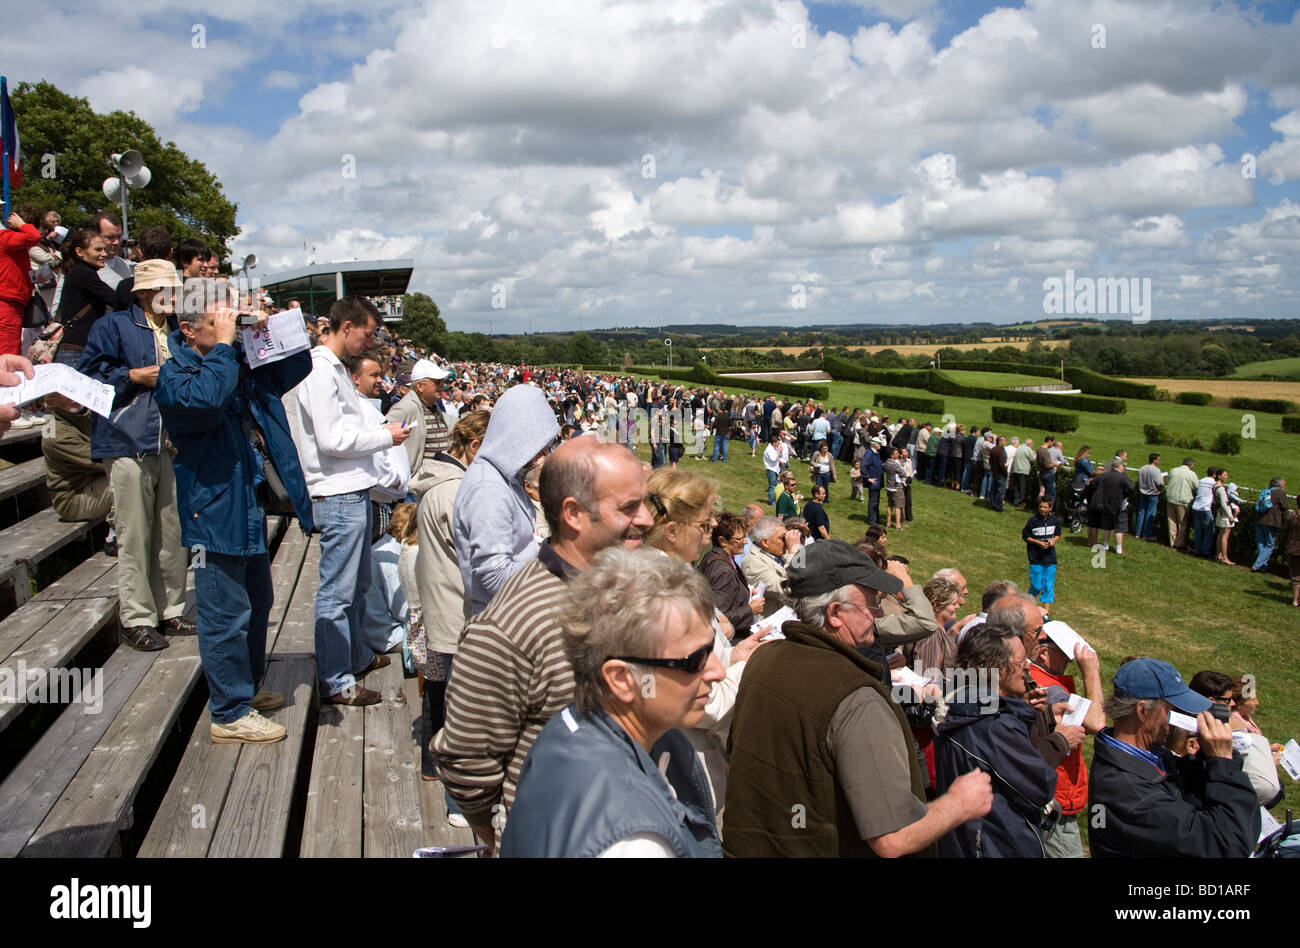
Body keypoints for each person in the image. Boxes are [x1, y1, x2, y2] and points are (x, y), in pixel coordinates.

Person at [432, 437, 655, 855]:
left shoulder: (619, 583)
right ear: (573, 513)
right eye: (628, 507)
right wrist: (510, 837)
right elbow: (465, 763)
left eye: (645, 503)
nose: (646, 519)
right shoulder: (510, 627)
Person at [724, 539, 994, 857]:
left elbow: (739, 763)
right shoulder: (856, 697)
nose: (878, 613)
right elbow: (893, 837)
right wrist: (958, 803)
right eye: (871, 604)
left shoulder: (763, 659)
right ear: (836, 613)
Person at [155, 285, 314, 743]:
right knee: (225, 613)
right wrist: (226, 345)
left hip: (244, 504)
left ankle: (244, 690)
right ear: (187, 330)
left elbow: (294, 369)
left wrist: (277, 331)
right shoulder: (176, 376)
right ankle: (226, 712)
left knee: (257, 603)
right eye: (216, 322)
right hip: (212, 512)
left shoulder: (234, 364)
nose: (227, 328)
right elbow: (204, 401)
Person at [499, 547, 724, 857]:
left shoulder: (571, 724)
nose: (718, 671)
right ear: (621, 678)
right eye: (695, 659)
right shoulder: (635, 843)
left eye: (711, 647)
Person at [291, 296, 411, 707]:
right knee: (338, 594)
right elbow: (333, 440)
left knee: (357, 586)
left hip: (351, 489)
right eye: (367, 333)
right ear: (346, 328)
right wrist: (385, 436)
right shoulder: (320, 371)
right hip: (337, 492)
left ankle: (355, 656)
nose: (370, 341)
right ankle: (336, 679)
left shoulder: (335, 370)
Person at [79, 259, 192, 651]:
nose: (173, 297)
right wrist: (132, 376)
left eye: (174, 289)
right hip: (127, 440)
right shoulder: (111, 326)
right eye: (166, 289)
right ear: (143, 293)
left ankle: (171, 609)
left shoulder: (179, 328)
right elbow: (87, 376)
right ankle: (138, 617)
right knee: (135, 534)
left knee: (173, 534)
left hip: (172, 442)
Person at [644, 469, 768, 810]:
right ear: (671, 531)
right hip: (682, 766)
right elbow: (703, 702)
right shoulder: (666, 590)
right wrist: (751, 667)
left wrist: (733, 654)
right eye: (703, 523)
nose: (713, 528)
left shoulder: (678, 572)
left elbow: (704, 654)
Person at [1088, 657, 1260, 858]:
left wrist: (1212, 754)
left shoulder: (1141, 755)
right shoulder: (1132, 795)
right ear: (1143, 711)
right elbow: (1229, 844)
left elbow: (1191, 784)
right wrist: (1222, 762)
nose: (1181, 717)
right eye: (1175, 709)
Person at [932, 624, 1061, 858]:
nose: (1027, 668)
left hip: (962, 841)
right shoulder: (995, 727)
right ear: (1000, 669)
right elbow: (1041, 783)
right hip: (999, 845)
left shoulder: (959, 706)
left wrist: (1020, 709)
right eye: (1022, 662)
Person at [413, 408, 491, 777]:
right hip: (457, 613)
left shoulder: (440, 481)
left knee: (440, 688)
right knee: (459, 703)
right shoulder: (457, 492)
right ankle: (456, 783)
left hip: (442, 607)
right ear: (475, 447)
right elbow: (481, 561)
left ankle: (434, 763)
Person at [452, 383, 559, 616]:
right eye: (541, 445)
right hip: (502, 616)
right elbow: (495, 575)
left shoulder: (505, 475)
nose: (545, 454)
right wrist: (558, 570)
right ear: (519, 436)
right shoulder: (488, 488)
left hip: (514, 607)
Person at [1028, 621, 1105, 857]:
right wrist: (1091, 671)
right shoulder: (1052, 690)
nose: (1071, 661)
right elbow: (1096, 723)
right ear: (1044, 651)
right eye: (1065, 655)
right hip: (1057, 798)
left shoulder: (1030, 676)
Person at [52, 230, 133, 367]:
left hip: (78, 349)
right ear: (79, 252)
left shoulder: (81, 273)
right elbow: (115, 299)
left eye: (104, 249)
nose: (104, 254)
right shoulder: (82, 273)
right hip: (76, 351)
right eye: (98, 250)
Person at [385, 357, 452, 495]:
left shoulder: (431, 406)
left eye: (442, 381)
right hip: (416, 486)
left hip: (431, 484)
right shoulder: (407, 408)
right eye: (437, 382)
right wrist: (397, 478)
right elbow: (385, 436)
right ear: (420, 386)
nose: (442, 385)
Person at [699, 512, 765, 638]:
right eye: (740, 539)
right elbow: (718, 617)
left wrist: (747, 593)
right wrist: (750, 609)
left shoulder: (714, 556)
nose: (745, 542)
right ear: (723, 541)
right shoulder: (723, 571)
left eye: (745, 536)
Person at [1, 210, 41, 358]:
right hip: (7, 305)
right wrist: (23, 224)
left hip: (11, 304)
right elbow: (34, 236)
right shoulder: (4, 238)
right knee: (9, 356)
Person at [741, 516, 793, 615]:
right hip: (771, 624)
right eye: (783, 538)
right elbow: (785, 588)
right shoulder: (752, 563)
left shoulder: (781, 552)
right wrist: (793, 553)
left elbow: (805, 575)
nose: (787, 542)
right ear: (765, 542)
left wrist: (800, 549)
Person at [1085, 458, 1136, 555]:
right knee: (1119, 527)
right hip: (1117, 505)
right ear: (1119, 466)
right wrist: (1125, 494)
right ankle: (1119, 549)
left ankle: (1105, 545)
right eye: (1123, 466)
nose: (1124, 468)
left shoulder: (1104, 475)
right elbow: (1131, 487)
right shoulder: (1122, 477)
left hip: (1104, 505)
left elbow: (1092, 483)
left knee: (1106, 527)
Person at [1023, 498, 1061, 614]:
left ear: (1050, 508)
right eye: (1041, 507)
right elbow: (1025, 536)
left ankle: (1046, 612)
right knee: (1036, 585)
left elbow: (1058, 533)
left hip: (1050, 558)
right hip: (1036, 558)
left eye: (1045, 507)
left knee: (1048, 585)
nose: (1042, 509)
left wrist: (1053, 541)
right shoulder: (1033, 521)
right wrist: (1038, 542)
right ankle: (1026, 606)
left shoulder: (1054, 520)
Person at [1251, 477, 1289, 572]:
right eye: (1284, 484)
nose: (1285, 485)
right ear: (1279, 484)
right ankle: (1257, 565)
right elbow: (1286, 506)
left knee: (1261, 544)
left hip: (1259, 520)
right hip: (1271, 521)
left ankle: (1263, 566)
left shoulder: (1265, 491)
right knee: (1270, 545)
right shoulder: (1280, 492)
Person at [1135, 453, 1164, 541]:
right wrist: (1162, 480)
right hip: (1152, 494)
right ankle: (1146, 533)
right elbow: (1159, 483)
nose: (1159, 461)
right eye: (1158, 459)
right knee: (1150, 514)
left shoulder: (1142, 468)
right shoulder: (1156, 470)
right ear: (1154, 460)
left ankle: (1138, 532)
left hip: (1143, 492)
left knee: (1141, 512)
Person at [1190, 465, 1218, 559]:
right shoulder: (1213, 483)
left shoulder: (1202, 480)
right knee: (1209, 530)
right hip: (1204, 508)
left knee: (1198, 530)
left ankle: (1198, 550)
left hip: (1195, 507)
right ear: (1215, 474)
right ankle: (1205, 551)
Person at [1280, 494, 1300, 607]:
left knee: (1295, 576)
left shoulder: (1291, 515)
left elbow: (1284, 532)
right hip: (1295, 548)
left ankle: (1295, 600)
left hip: (1293, 548)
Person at [1213, 468, 1235, 565]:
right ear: (1219, 476)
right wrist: (1230, 516)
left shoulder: (1215, 486)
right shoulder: (1221, 489)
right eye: (1225, 475)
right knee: (1225, 535)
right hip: (1225, 514)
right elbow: (1224, 504)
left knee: (1221, 534)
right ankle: (1224, 557)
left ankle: (1218, 555)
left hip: (1220, 512)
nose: (1226, 477)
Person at [883, 447, 905, 529]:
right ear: (892, 455)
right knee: (898, 506)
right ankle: (898, 525)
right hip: (897, 487)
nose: (898, 454)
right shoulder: (895, 464)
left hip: (889, 486)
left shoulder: (886, 463)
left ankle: (888, 523)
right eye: (896, 453)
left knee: (890, 505)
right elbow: (903, 473)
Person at [1036, 435, 1060, 507]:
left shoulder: (1039, 449)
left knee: (1042, 491)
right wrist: (1054, 464)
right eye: (1053, 442)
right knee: (1051, 494)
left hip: (1041, 473)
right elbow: (1047, 465)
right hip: (1047, 473)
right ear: (1049, 441)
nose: (1052, 444)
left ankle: (1041, 506)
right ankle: (1048, 509)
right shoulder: (1046, 451)